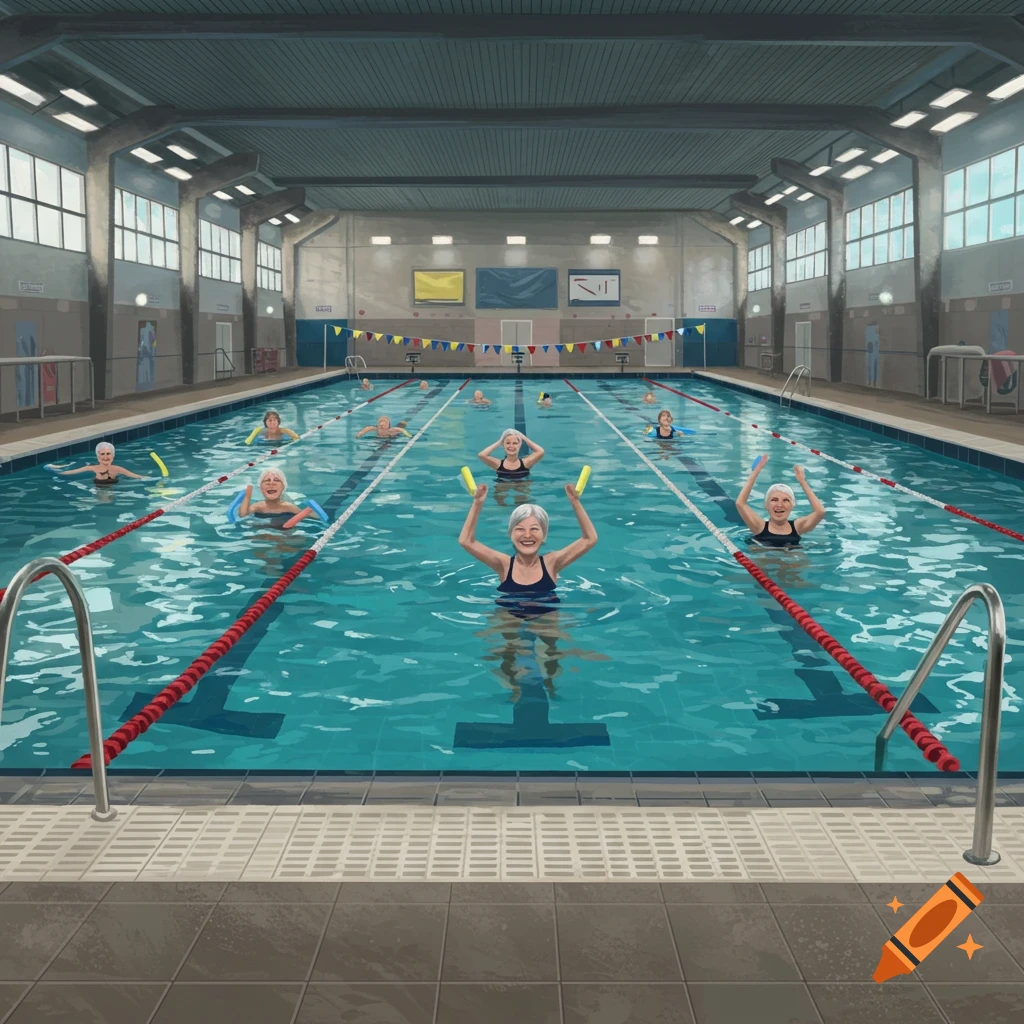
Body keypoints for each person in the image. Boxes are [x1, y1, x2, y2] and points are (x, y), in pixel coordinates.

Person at [458, 482, 597, 618]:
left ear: (544, 535)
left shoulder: (552, 563)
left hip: (546, 615)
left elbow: (589, 539)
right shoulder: (504, 564)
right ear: (510, 535)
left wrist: (575, 501)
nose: (527, 535)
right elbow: (466, 541)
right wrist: (477, 503)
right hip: (509, 615)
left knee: (553, 632)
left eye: (534, 529)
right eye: (519, 529)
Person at [735, 454, 826, 547]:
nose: (779, 505)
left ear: (792, 505)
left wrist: (803, 482)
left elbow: (820, 512)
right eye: (774, 500)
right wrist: (756, 471)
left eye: (786, 500)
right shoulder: (759, 526)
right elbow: (740, 503)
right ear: (766, 505)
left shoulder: (797, 527)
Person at [46, 442, 151, 487]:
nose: (106, 456)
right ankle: (57, 465)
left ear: (113, 456)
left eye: (108, 454)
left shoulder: (117, 469)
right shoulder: (92, 468)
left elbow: (135, 476)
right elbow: (70, 472)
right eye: (103, 454)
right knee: (104, 501)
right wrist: (54, 471)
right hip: (98, 488)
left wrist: (149, 479)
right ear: (98, 456)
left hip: (112, 488)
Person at [237, 468, 314, 529]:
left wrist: (311, 510)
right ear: (261, 488)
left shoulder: (289, 507)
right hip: (262, 530)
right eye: (267, 480)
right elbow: (243, 514)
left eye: (276, 480)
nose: (271, 483)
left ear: (283, 487)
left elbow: (310, 518)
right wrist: (247, 495)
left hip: (284, 532)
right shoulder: (258, 506)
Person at [478, 429, 545, 480]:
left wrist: (523, 437)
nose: (511, 446)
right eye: (507, 443)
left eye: (515, 443)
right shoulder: (497, 464)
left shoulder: (526, 463)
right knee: (499, 495)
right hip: (503, 485)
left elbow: (540, 451)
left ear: (519, 445)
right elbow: (482, 455)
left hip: (522, 485)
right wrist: (499, 441)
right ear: (503, 445)